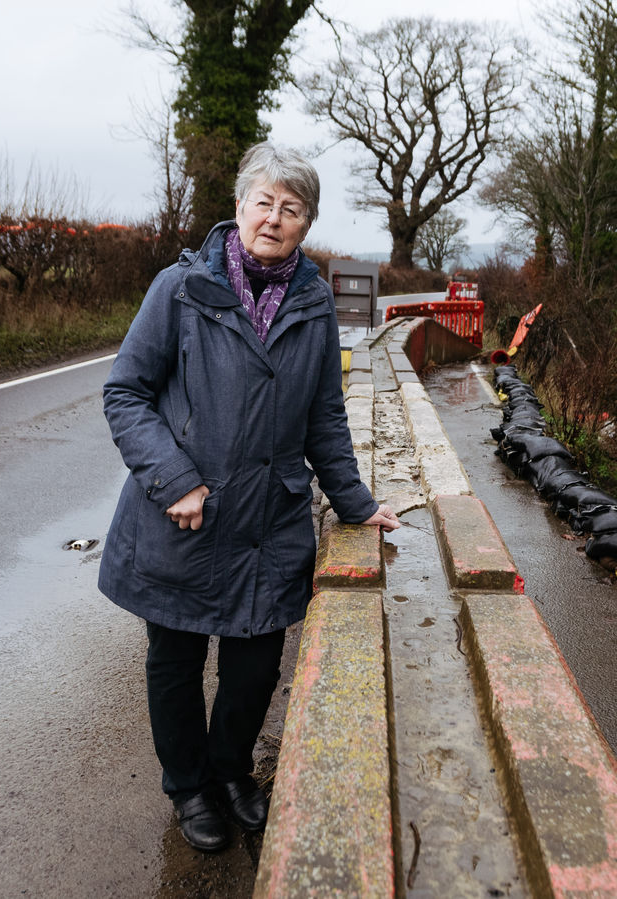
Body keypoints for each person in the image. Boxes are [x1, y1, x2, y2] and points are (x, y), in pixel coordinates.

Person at [98, 142, 400, 853]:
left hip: (269, 519)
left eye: (290, 209)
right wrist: (174, 479)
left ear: (306, 223)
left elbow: (324, 416)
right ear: (238, 208)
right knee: (175, 661)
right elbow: (126, 393)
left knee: (255, 666)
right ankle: (188, 787)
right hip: (185, 517)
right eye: (263, 202)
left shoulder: (314, 303)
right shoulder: (179, 288)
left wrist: (355, 503)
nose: (273, 218)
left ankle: (231, 771)